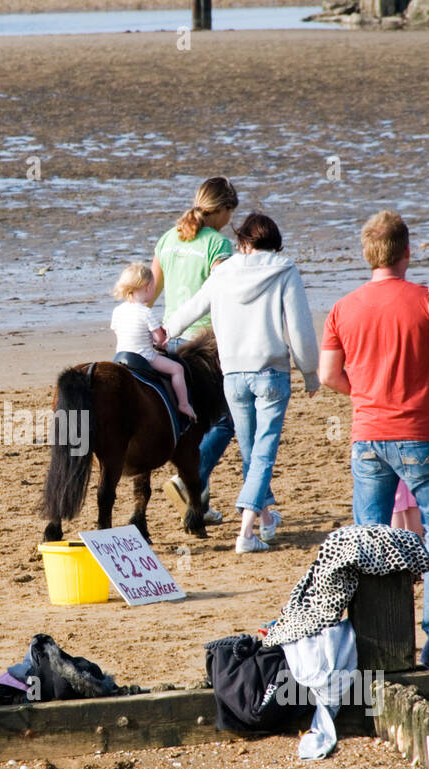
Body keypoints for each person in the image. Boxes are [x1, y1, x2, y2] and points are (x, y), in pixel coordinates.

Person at [318, 209, 429, 631]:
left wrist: (368, 393)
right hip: (422, 432)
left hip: (368, 435)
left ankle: (378, 631)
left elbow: (329, 375)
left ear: (368, 253)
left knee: (368, 538)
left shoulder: (342, 308)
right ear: (407, 251)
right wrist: (420, 383)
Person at [166, 212, 319, 553]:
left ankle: (265, 521)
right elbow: (300, 329)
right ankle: (246, 533)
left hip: (231, 374)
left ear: (243, 241)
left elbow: (192, 308)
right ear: (274, 243)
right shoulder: (284, 270)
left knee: (252, 451)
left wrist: (165, 333)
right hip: (270, 372)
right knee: (262, 453)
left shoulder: (223, 273)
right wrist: (310, 371)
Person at [148, 176, 239, 524]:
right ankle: (190, 481)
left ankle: (198, 501)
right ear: (224, 210)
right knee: (225, 420)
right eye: (231, 213)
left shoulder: (168, 239)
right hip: (205, 345)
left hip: (171, 340)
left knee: (189, 424)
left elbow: (152, 290)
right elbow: (223, 295)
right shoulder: (218, 245)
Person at [110, 262, 196, 419]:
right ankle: (183, 404)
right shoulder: (146, 312)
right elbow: (161, 340)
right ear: (148, 287)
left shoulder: (118, 311)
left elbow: (117, 331)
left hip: (120, 357)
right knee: (177, 369)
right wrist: (159, 342)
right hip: (145, 357)